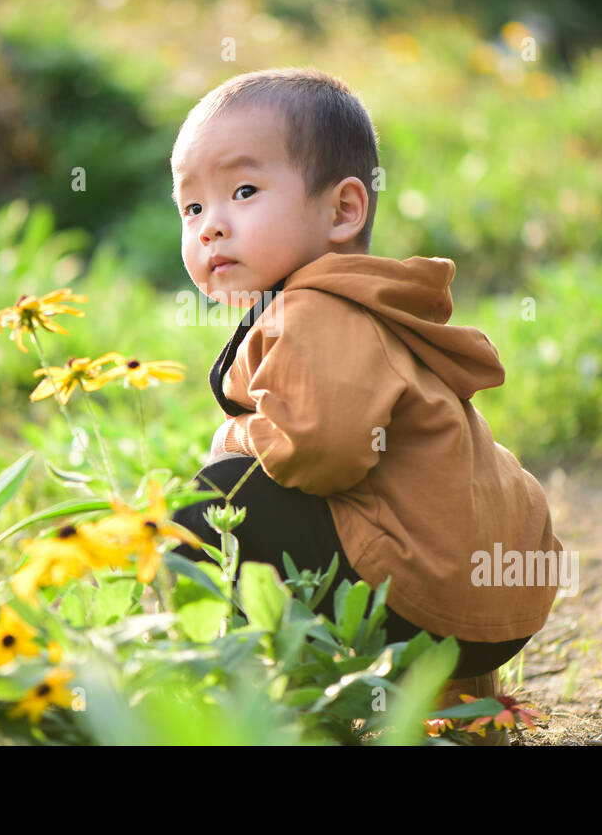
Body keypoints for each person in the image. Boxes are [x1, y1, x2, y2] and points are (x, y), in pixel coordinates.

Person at [165, 67, 565, 727]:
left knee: (216, 503)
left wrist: (235, 437)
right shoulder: (360, 305)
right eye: (192, 207)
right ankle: (455, 694)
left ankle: (245, 692)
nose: (211, 226)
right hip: (492, 602)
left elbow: (323, 450)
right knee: (268, 490)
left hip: (428, 597)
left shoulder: (316, 310)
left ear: (344, 209)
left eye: (242, 190)